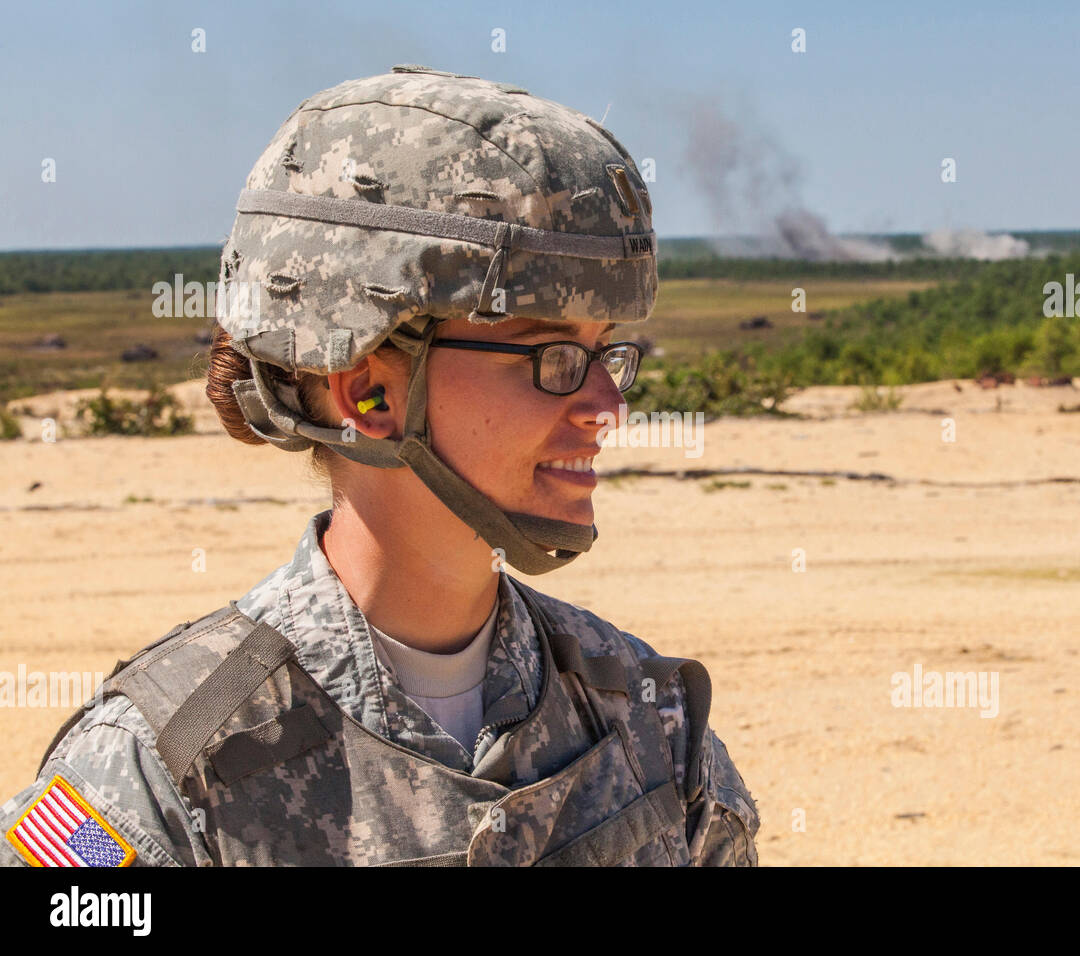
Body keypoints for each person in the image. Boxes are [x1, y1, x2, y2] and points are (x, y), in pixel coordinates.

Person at [0, 66, 759, 867]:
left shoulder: (651, 722)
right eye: (555, 355)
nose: (608, 407)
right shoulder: (149, 775)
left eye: (610, 353)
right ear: (368, 394)